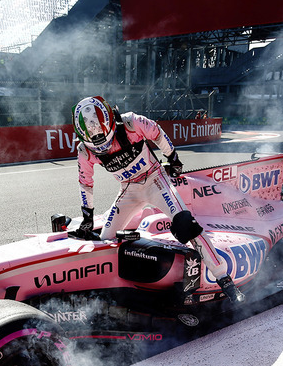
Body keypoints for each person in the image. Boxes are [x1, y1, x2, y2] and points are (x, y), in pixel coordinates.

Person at [72, 95, 245, 304]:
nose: (102, 149)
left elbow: (157, 133)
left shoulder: (131, 123)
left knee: (186, 225)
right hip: (128, 190)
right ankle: (108, 287)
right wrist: (87, 215)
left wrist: (172, 157)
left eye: (105, 140)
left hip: (156, 181)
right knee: (105, 239)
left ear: (110, 121)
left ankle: (225, 280)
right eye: (94, 143)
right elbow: (85, 183)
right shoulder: (85, 151)